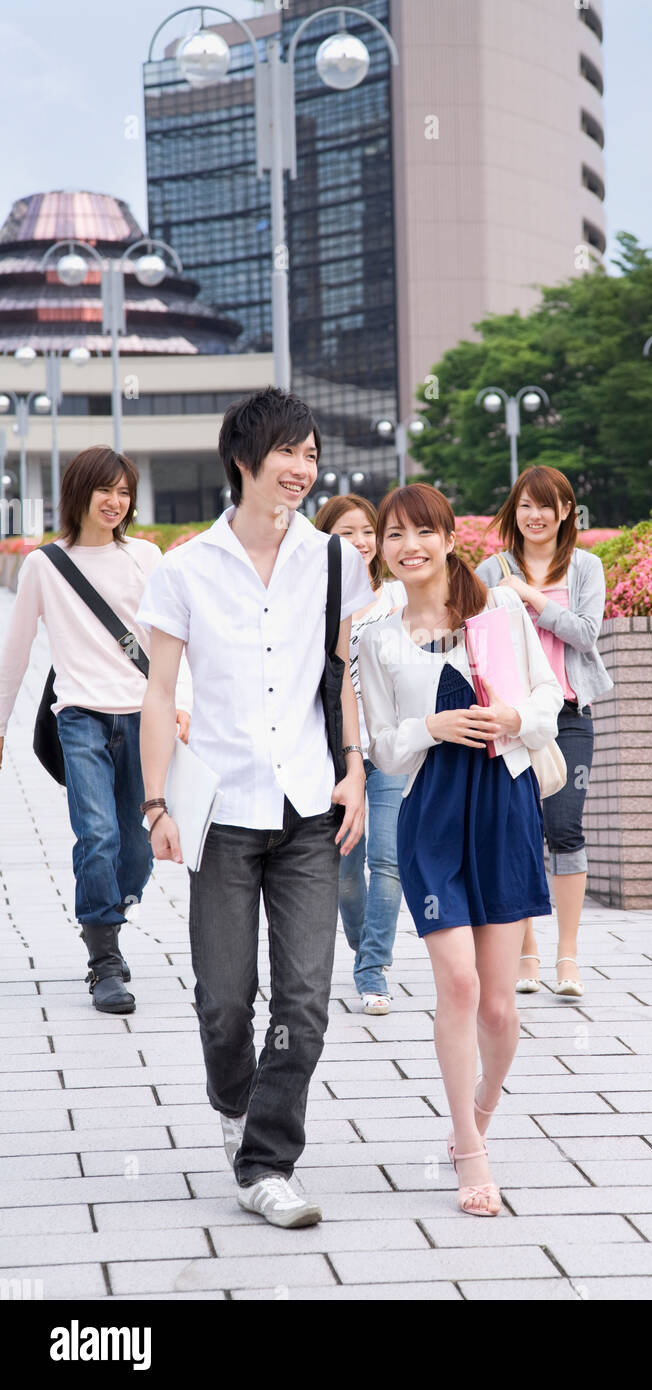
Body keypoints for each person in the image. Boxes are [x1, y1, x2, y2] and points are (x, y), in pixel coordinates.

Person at [136, 387, 373, 1231]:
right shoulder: (185, 568)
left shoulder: (338, 562)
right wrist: (155, 802)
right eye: (289, 454)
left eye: (312, 455)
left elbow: (346, 678)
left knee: (306, 999)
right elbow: (160, 691)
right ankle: (234, 1096)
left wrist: (356, 770)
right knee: (224, 1002)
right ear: (245, 458)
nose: (304, 470)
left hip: (312, 806)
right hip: (221, 813)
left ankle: (268, 1162)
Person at [358, 484, 562, 1216]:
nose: (408, 546)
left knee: (501, 1009)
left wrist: (513, 714)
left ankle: (483, 1101)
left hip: (503, 808)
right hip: (430, 816)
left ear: (448, 538)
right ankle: (468, 1150)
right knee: (460, 986)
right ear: (381, 551)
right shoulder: (377, 636)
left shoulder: (500, 612)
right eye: (393, 536)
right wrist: (431, 730)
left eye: (422, 532)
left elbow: (548, 700)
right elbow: (380, 744)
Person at [0, 446, 191, 1014]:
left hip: (143, 717)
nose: (115, 502)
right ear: (78, 492)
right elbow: (15, 653)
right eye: (105, 489)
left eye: (124, 491)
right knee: (98, 835)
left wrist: (181, 703)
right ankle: (104, 961)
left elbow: (172, 640)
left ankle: (106, 923)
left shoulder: (146, 557)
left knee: (137, 848)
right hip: (78, 716)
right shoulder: (44, 564)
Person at [476, 466, 613, 997]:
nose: (536, 516)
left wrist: (531, 598)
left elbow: (584, 633)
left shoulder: (584, 567)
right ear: (514, 512)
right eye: (526, 506)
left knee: (565, 828)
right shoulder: (492, 568)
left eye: (547, 506)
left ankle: (568, 958)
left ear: (565, 513)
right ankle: (527, 955)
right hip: (513, 718)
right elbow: (478, 641)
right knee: (520, 831)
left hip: (569, 716)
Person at [315, 495, 406, 1016]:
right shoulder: (315, 603)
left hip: (389, 748)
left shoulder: (395, 598)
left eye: (368, 531)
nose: (363, 542)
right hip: (334, 752)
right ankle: (363, 945)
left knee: (387, 861)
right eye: (348, 533)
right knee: (346, 872)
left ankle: (373, 968)